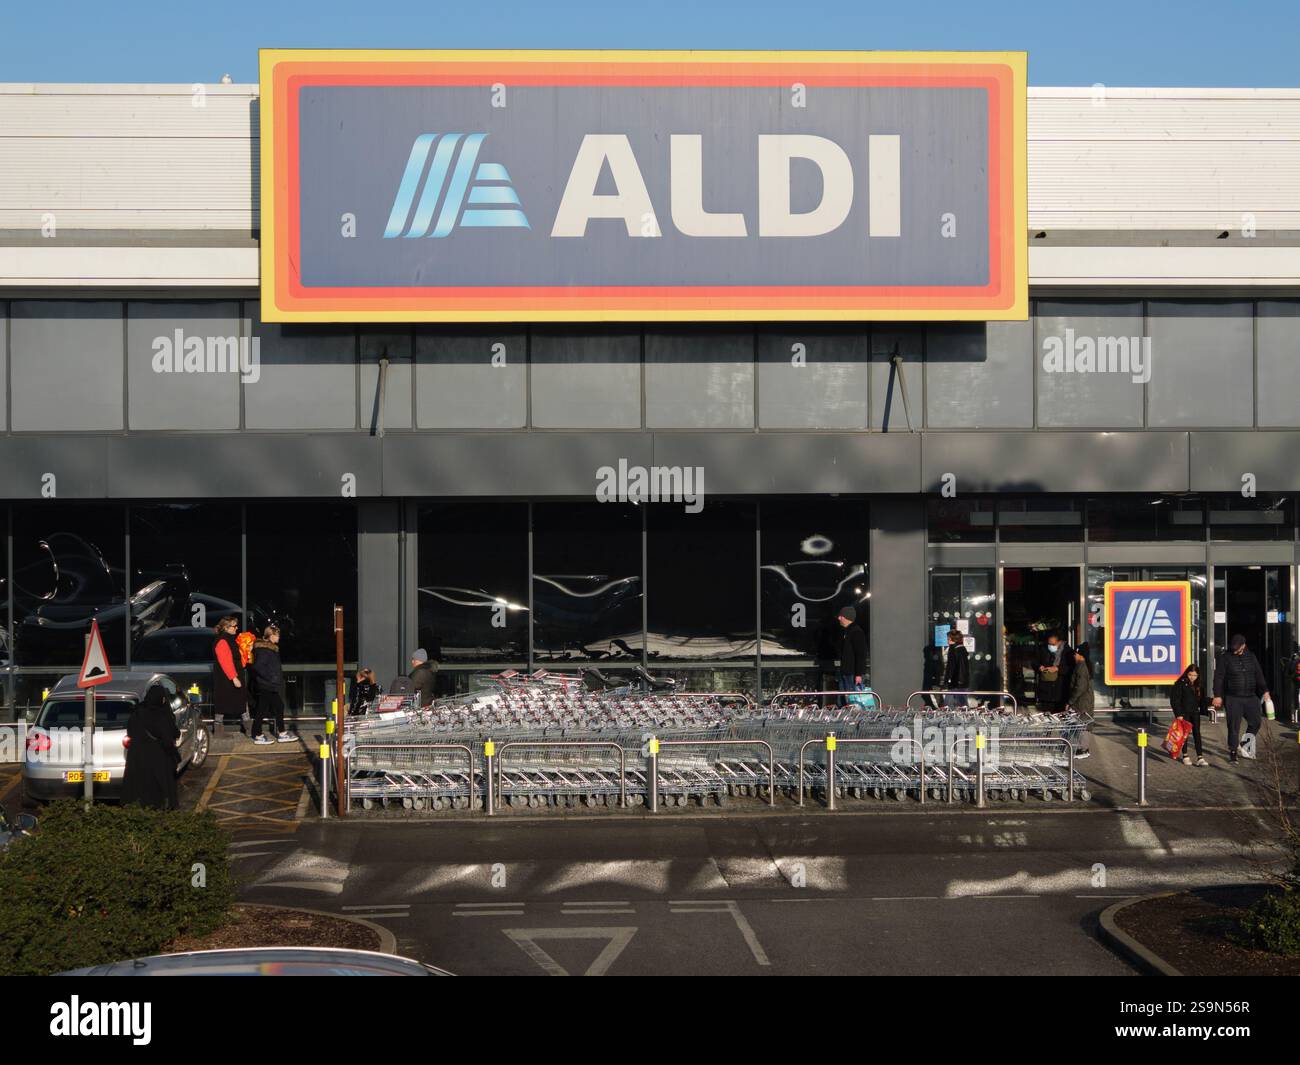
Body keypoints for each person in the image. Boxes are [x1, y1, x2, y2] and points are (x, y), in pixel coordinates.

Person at [1212, 634, 1269, 764]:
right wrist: (1217, 695)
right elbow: (1219, 677)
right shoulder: (1225, 658)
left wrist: (1265, 691)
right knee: (1233, 726)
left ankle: (1245, 744)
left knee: (1256, 722)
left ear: (1243, 645)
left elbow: (1259, 674)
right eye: (1234, 648)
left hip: (1251, 697)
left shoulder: (1251, 657)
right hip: (1233, 698)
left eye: (1238, 648)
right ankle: (1233, 752)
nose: (1235, 650)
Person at [121, 686, 180, 810]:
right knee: (158, 795)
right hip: (157, 759)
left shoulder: (137, 714)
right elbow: (168, 739)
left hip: (137, 759)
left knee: (140, 792)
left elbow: (130, 732)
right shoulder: (162, 716)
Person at [250, 625, 296, 744]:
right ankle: (260, 735)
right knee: (267, 708)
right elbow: (258, 667)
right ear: (271, 636)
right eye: (277, 635)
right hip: (267, 684)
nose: (279, 637)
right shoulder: (265, 650)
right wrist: (271, 678)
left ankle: (266, 733)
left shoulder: (269, 649)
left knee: (271, 707)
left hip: (267, 684)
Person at [211, 615, 248, 727]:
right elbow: (225, 661)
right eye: (234, 626)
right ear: (226, 628)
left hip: (229, 677)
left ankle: (247, 725)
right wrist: (234, 678)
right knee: (229, 702)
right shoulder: (223, 641)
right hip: (227, 679)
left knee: (234, 701)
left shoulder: (229, 639)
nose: (237, 628)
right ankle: (248, 726)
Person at [1170, 663, 1209, 767]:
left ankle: (1200, 757)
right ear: (1187, 673)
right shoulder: (1180, 683)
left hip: (1195, 712)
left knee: (1197, 733)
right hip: (1183, 713)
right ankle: (1185, 755)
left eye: (1195, 675)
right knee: (1184, 734)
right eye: (1190, 675)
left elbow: (1202, 699)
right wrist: (1178, 714)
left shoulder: (1199, 684)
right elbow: (1175, 700)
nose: (1192, 677)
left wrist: (1208, 706)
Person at [1066, 642, 1094, 759]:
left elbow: (1080, 687)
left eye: (1076, 653)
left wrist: (1070, 701)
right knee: (1080, 723)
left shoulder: (1082, 667)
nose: (1074, 655)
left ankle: (1084, 749)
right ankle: (1081, 748)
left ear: (1081, 655)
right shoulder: (1082, 666)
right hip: (1082, 700)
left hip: (1082, 701)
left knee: (1083, 724)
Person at [835, 606, 868, 703]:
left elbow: (860, 654)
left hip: (852, 674)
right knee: (845, 700)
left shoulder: (856, 632)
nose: (839, 618)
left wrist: (858, 674)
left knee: (854, 701)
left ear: (846, 617)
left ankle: (854, 716)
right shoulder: (847, 631)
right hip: (846, 672)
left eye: (841, 616)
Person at [1036, 630, 1073, 712]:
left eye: (1053, 644)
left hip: (1060, 692)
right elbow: (1034, 662)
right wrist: (1039, 666)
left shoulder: (1068, 652)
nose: (1050, 646)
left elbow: (1071, 669)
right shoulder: (1044, 649)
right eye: (1049, 643)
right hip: (1046, 691)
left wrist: (1058, 668)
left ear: (1060, 642)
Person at [942, 627, 970, 706]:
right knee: (961, 704)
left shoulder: (955, 650)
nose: (947, 641)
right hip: (960, 681)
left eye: (948, 639)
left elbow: (952, 667)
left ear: (952, 639)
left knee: (950, 705)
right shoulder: (960, 649)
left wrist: (948, 680)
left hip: (956, 682)